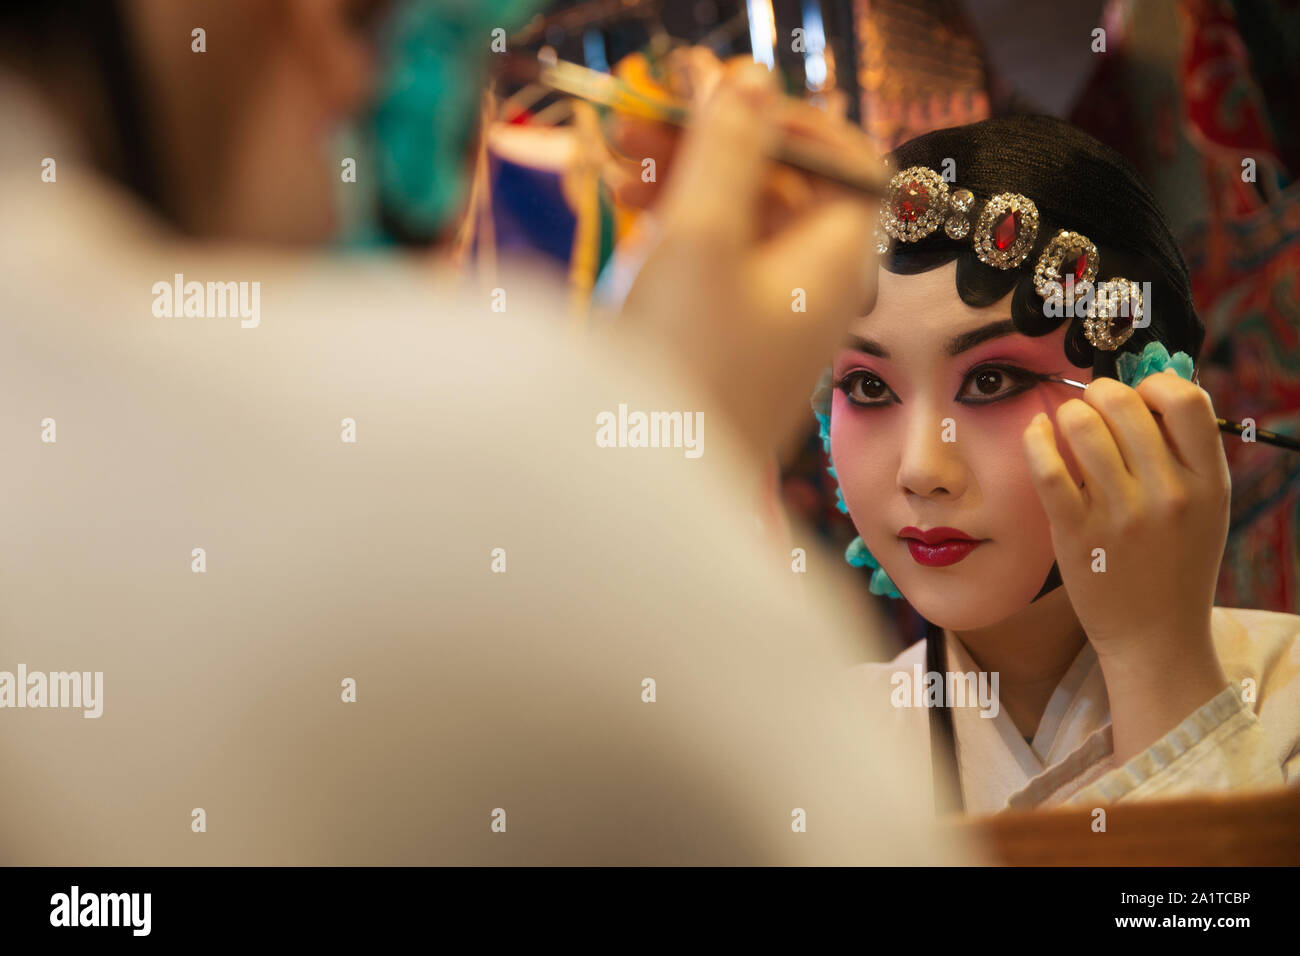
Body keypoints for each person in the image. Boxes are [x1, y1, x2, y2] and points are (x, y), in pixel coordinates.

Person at [0, 2, 960, 863]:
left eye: (990, 381)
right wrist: (639, 482)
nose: (349, 85)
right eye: (356, 21)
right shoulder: (477, 452)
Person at [816, 115, 1300, 814]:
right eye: (868, 387)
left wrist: (1158, 664)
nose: (922, 470)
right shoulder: (809, 749)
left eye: (991, 382)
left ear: (1148, 394)